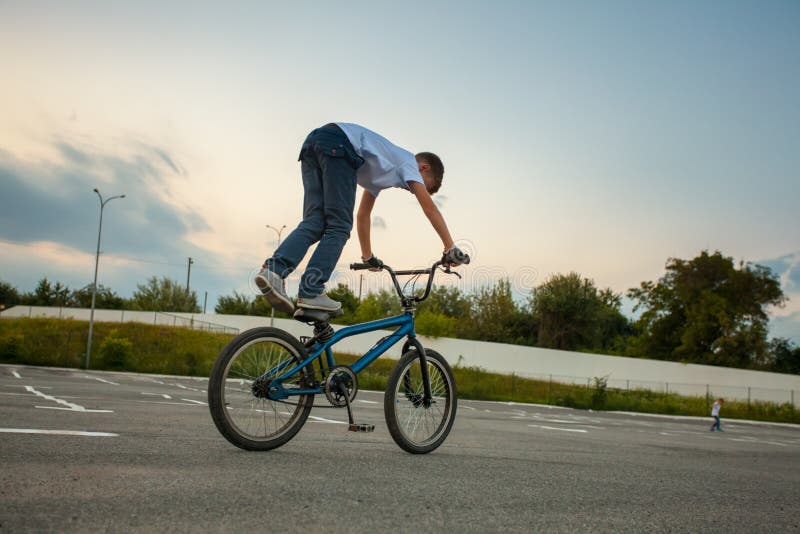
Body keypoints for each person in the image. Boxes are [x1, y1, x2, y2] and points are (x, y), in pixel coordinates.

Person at [255, 122, 470, 314]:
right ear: (423, 168)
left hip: (316, 143)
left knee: (315, 222)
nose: (414, 190)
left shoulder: (383, 170)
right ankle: (311, 291)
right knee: (338, 227)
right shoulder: (408, 163)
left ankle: (274, 271)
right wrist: (450, 247)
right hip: (339, 145)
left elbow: (363, 215)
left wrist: (367, 256)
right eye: (422, 186)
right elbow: (430, 209)